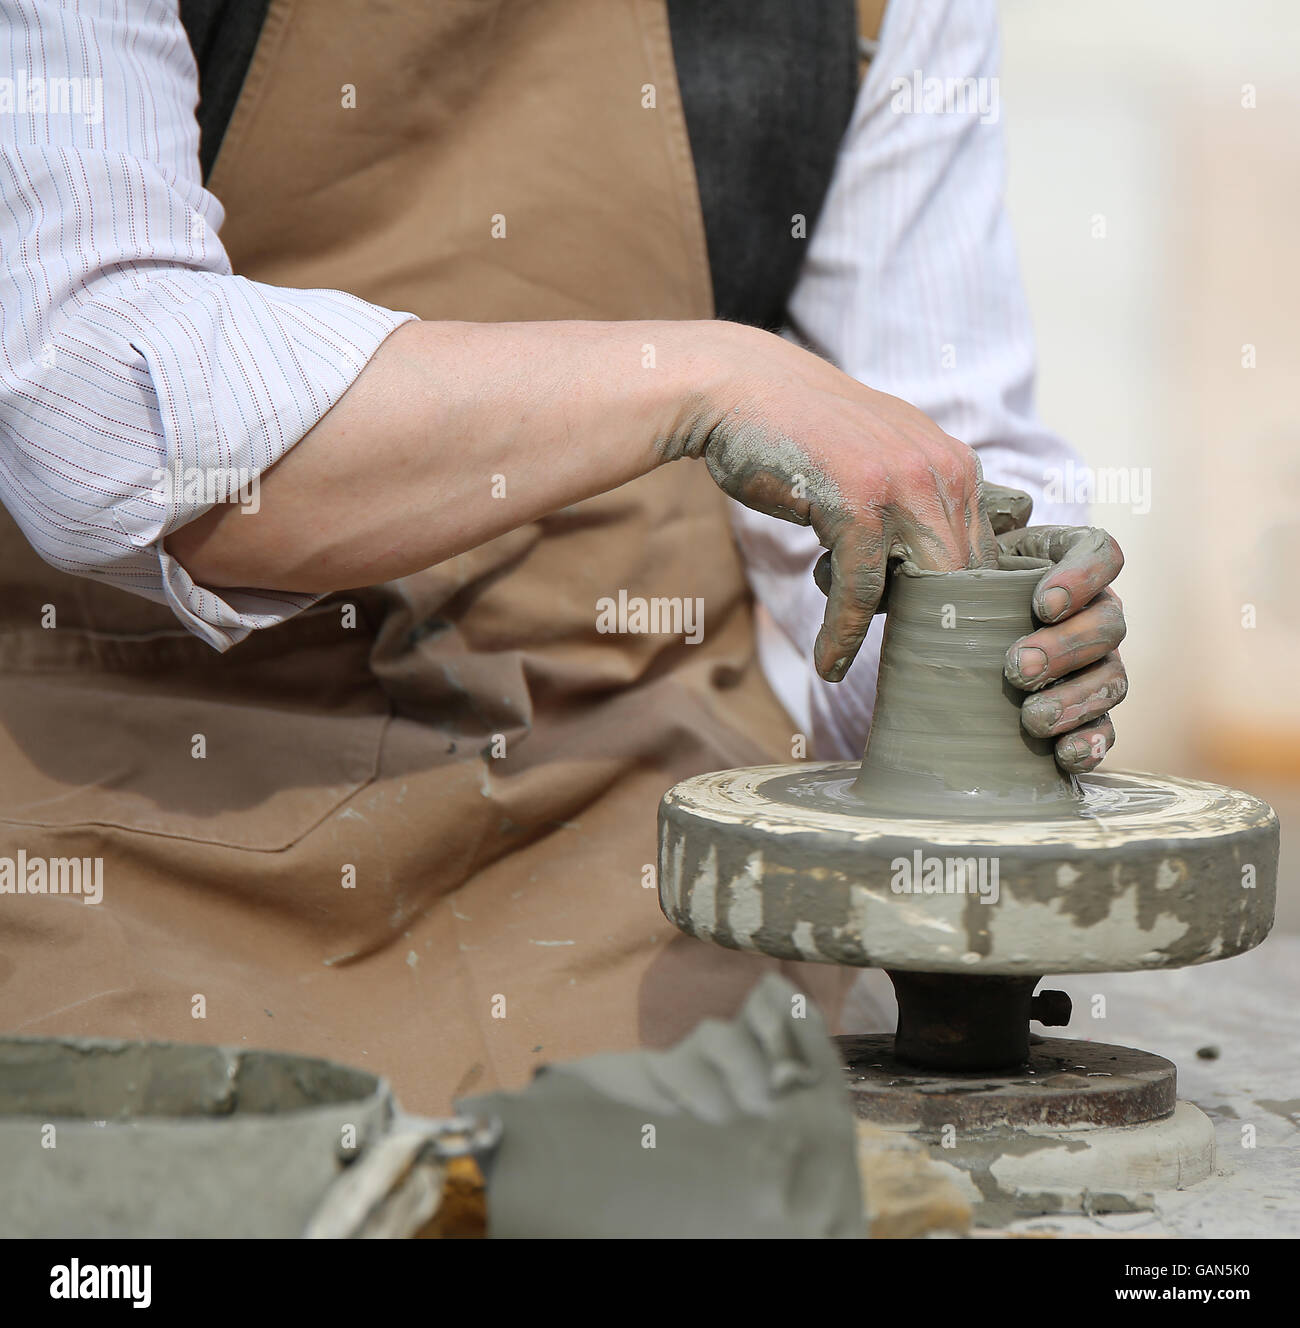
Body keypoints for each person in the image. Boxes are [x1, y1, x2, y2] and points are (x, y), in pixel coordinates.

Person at [0, 0, 1125, 1111]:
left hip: (625, 793)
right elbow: (92, 402)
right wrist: (701, 380)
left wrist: (990, 641)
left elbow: (926, 434)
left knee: (689, 1176)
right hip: (131, 779)